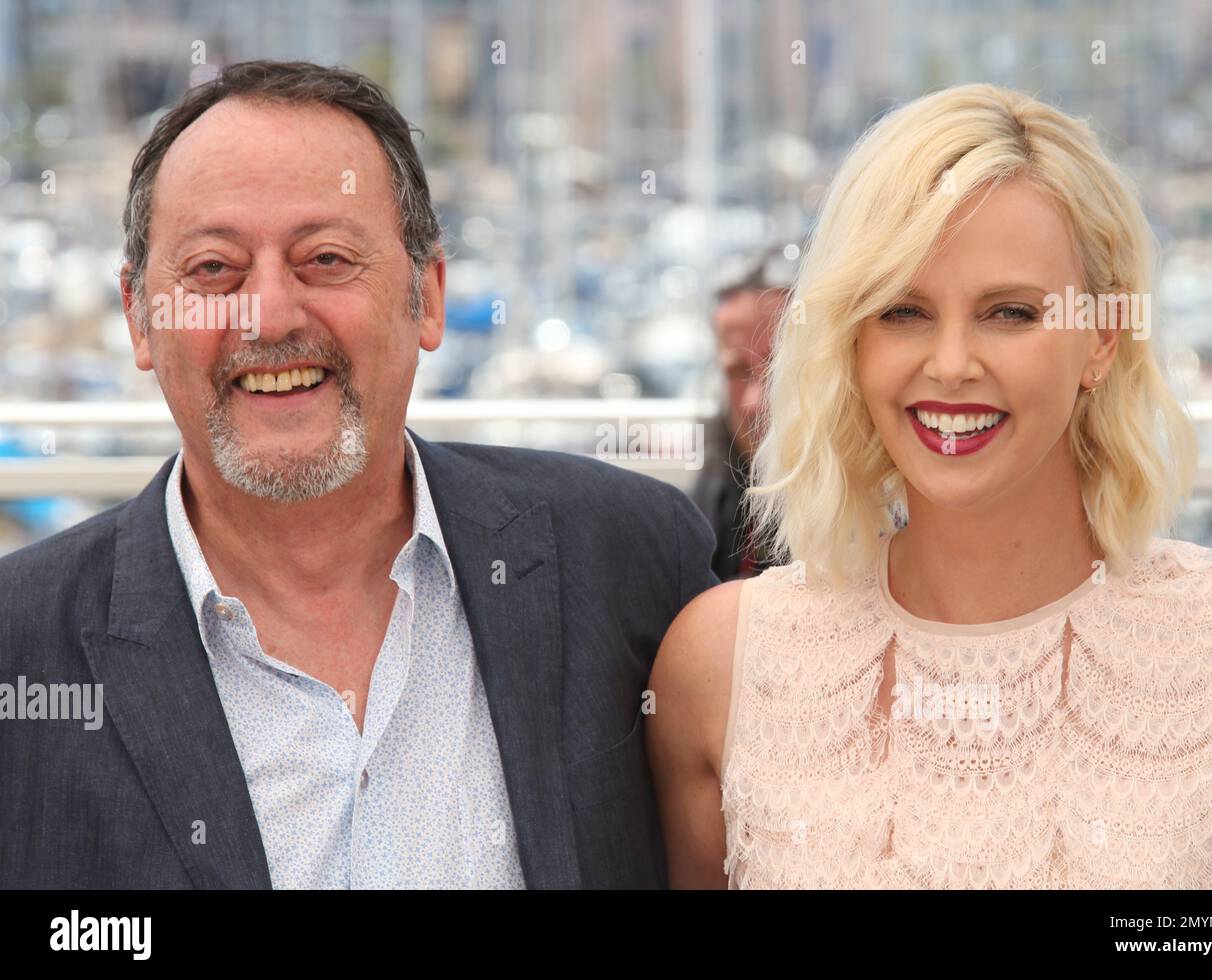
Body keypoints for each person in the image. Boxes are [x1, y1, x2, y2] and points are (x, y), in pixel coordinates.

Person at [0, 60, 717, 889]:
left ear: (429, 295)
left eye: (328, 259)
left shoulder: (627, 561)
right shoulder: (20, 651)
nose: (267, 315)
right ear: (139, 317)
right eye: (212, 270)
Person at [648, 83, 1212, 889]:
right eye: (902, 311)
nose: (952, 365)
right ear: (850, 342)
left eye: (1011, 313)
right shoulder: (717, 664)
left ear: (1101, 338)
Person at [691, 249, 791, 580]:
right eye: (738, 371)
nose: (754, 402)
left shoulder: (873, 521)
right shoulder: (718, 488)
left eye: (778, 368)